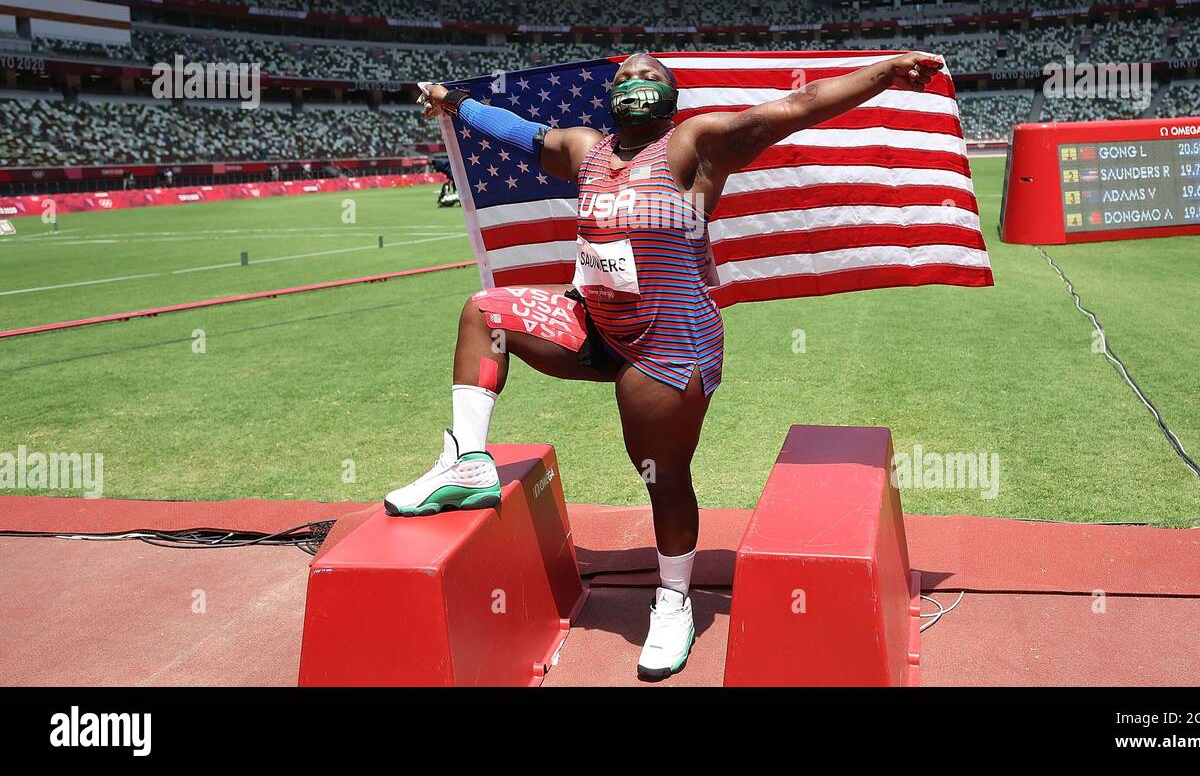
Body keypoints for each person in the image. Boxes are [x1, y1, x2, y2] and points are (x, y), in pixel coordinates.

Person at [385, 49, 943, 679]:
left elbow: (795, 107)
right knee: (485, 312)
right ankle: (466, 461)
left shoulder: (693, 146)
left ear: (671, 96)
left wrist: (884, 73)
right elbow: (515, 131)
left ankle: (674, 597)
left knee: (662, 478)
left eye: (649, 77)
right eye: (624, 77)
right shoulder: (583, 149)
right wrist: (454, 103)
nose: (634, 82)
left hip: (669, 342)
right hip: (596, 324)